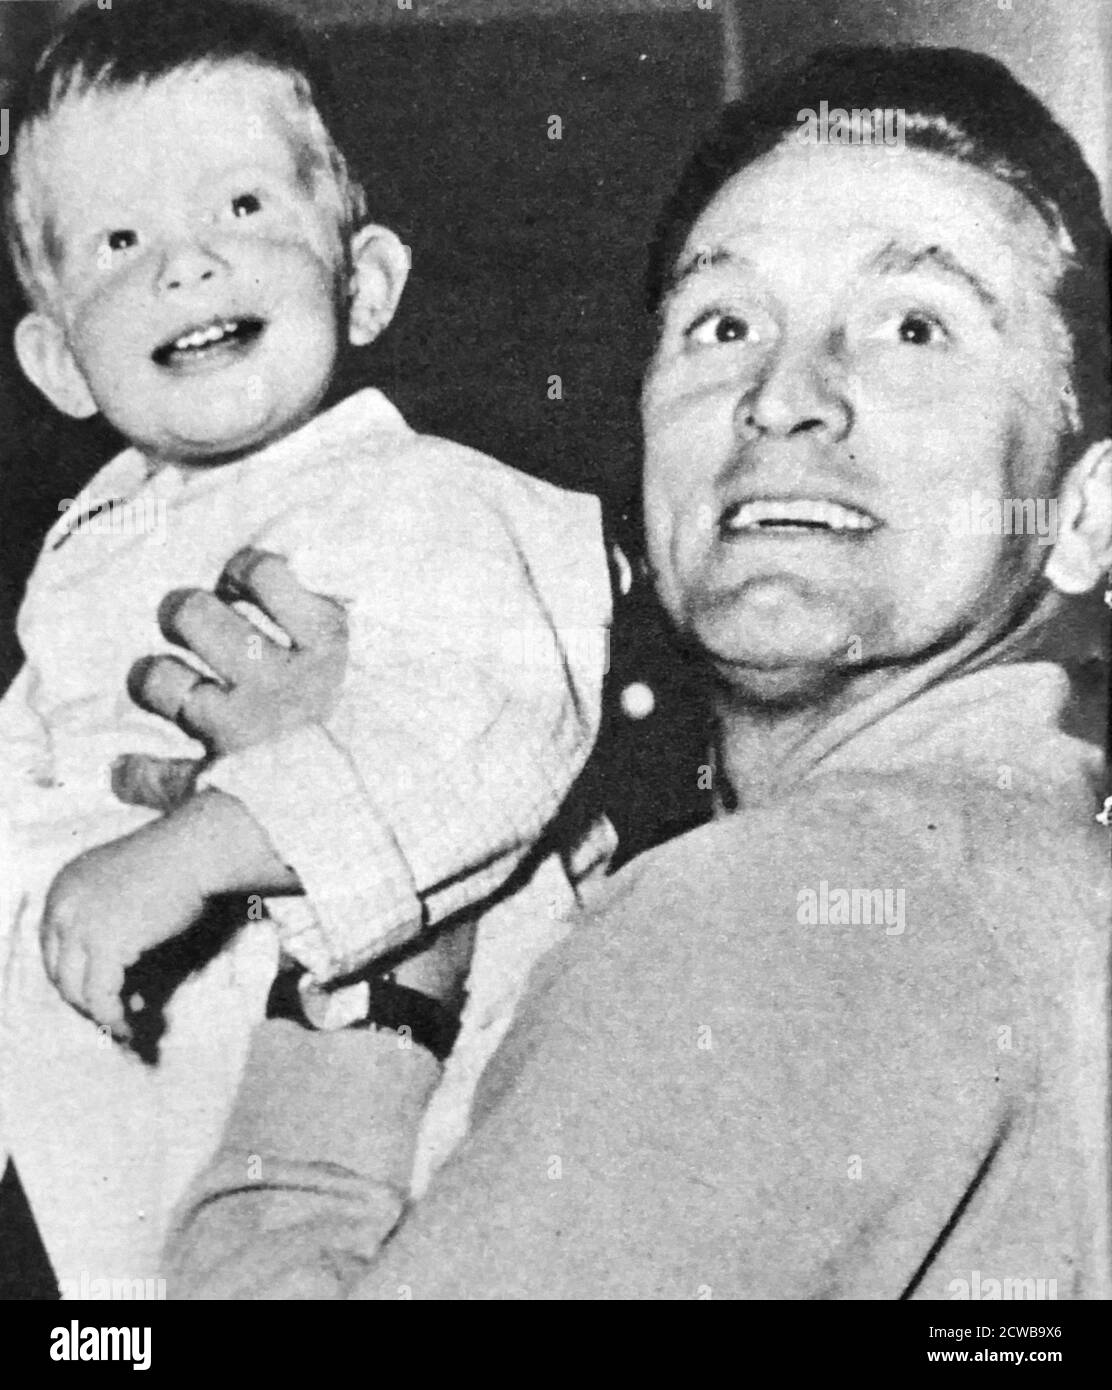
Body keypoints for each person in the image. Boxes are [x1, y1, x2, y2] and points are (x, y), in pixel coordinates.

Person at [132, 44, 1112, 1298]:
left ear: (1085, 516)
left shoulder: (794, 903)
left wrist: (370, 852)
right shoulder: (1039, 880)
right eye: (722, 323)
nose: (781, 397)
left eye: (912, 325)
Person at [0, 0, 609, 1295]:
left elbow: (483, 732)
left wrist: (192, 849)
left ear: (367, 278)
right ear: (57, 359)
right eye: (120, 238)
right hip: (108, 1127)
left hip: (385, 1104)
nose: (186, 266)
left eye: (241, 209)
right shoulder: (83, 552)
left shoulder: (424, 494)